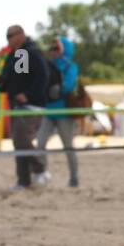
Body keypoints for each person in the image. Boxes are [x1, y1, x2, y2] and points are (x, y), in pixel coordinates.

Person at [0, 24, 50, 190]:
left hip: (30, 106)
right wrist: (2, 83)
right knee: (18, 143)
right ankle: (23, 181)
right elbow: (18, 79)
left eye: (10, 36)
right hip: (17, 105)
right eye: (7, 36)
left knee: (22, 140)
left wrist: (28, 95)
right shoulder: (17, 54)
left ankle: (40, 168)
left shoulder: (29, 52)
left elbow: (42, 76)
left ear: (20, 35)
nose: (8, 39)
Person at [36, 36, 81, 188]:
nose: (53, 51)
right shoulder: (48, 65)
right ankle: (42, 174)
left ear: (65, 49)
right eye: (52, 48)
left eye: (57, 48)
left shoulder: (71, 66)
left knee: (68, 146)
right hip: (48, 111)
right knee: (40, 143)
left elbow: (68, 85)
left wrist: (59, 89)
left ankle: (74, 178)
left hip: (65, 113)